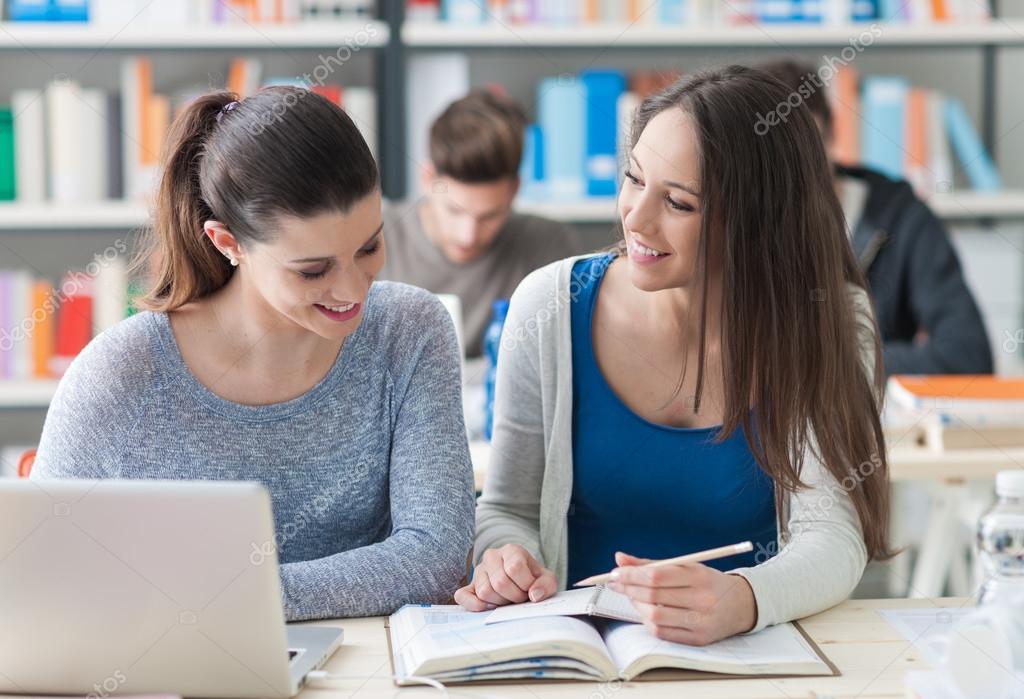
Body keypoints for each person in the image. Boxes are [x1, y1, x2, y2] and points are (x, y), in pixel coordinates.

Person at [455, 66, 893, 646]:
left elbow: (834, 537)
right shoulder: (551, 308)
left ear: (758, 223)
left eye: (679, 204)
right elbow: (508, 508)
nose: (634, 217)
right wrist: (508, 560)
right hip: (579, 654)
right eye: (634, 179)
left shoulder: (830, 321)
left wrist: (743, 598)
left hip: (749, 659)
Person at [31, 87, 476, 620]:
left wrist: (228, 599)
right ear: (228, 243)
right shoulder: (120, 373)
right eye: (312, 270)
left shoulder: (410, 332)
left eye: (369, 248)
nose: (354, 289)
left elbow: (435, 557)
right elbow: (42, 574)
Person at [759, 59, 992, 376]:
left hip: (879, 420)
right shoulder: (737, 223)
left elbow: (968, 355)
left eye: (805, 150)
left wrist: (829, 367)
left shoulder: (903, 216)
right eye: (776, 157)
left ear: (832, 138)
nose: (793, 172)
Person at [378, 90, 583, 357]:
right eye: (454, 210)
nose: (468, 236)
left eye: (490, 216)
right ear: (428, 180)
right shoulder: (375, 237)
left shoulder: (550, 247)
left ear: (514, 190)